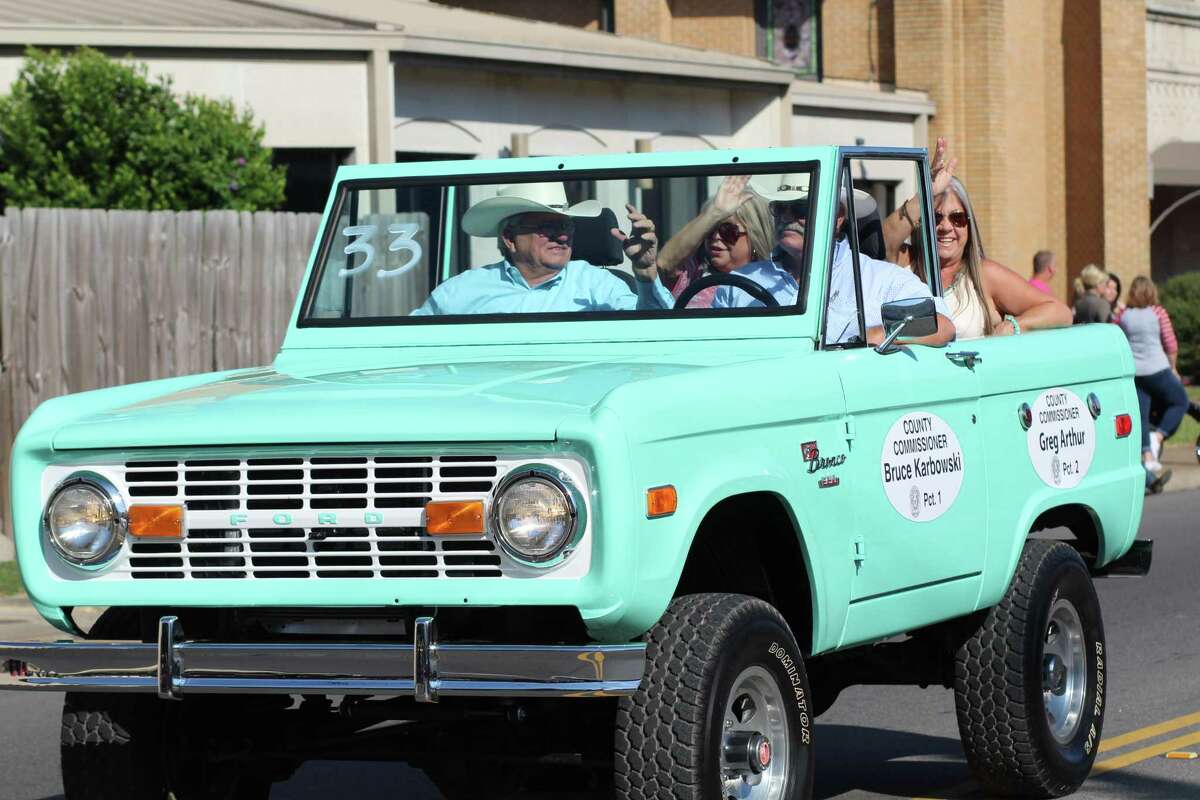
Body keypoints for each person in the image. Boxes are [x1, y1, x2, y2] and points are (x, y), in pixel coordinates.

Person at [712, 173, 956, 347]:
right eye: (780, 208)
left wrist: (876, 335)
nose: (787, 217)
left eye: (799, 209)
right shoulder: (737, 284)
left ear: (837, 217)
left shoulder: (879, 279)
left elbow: (941, 325)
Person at [881, 143, 1071, 338]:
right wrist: (924, 196)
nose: (946, 227)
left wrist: (1014, 325)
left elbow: (1058, 311)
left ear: (969, 226)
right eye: (936, 218)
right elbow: (883, 243)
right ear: (922, 221)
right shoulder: (905, 264)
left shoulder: (983, 275)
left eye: (957, 218)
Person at [412, 182, 672, 316]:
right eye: (547, 227)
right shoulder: (461, 290)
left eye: (567, 226)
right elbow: (406, 344)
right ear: (509, 238)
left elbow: (656, 332)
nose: (561, 236)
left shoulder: (596, 283)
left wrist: (645, 272)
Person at [657, 175, 774, 308]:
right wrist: (714, 214)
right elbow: (664, 263)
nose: (716, 237)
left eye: (728, 230)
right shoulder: (693, 274)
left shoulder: (775, 281)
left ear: (755, 237)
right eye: (710, 229)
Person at [1118, 276, 1190, 490]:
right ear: (1152, 291)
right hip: (1157, 369)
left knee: (1141, 414)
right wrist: (1174, 367)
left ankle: (1147, 455)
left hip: (1135, 372)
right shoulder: (1158, 312)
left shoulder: (1124, 315)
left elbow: (1119, 337)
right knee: (1180, 401)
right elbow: (1170, 342)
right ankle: (1157, 436)